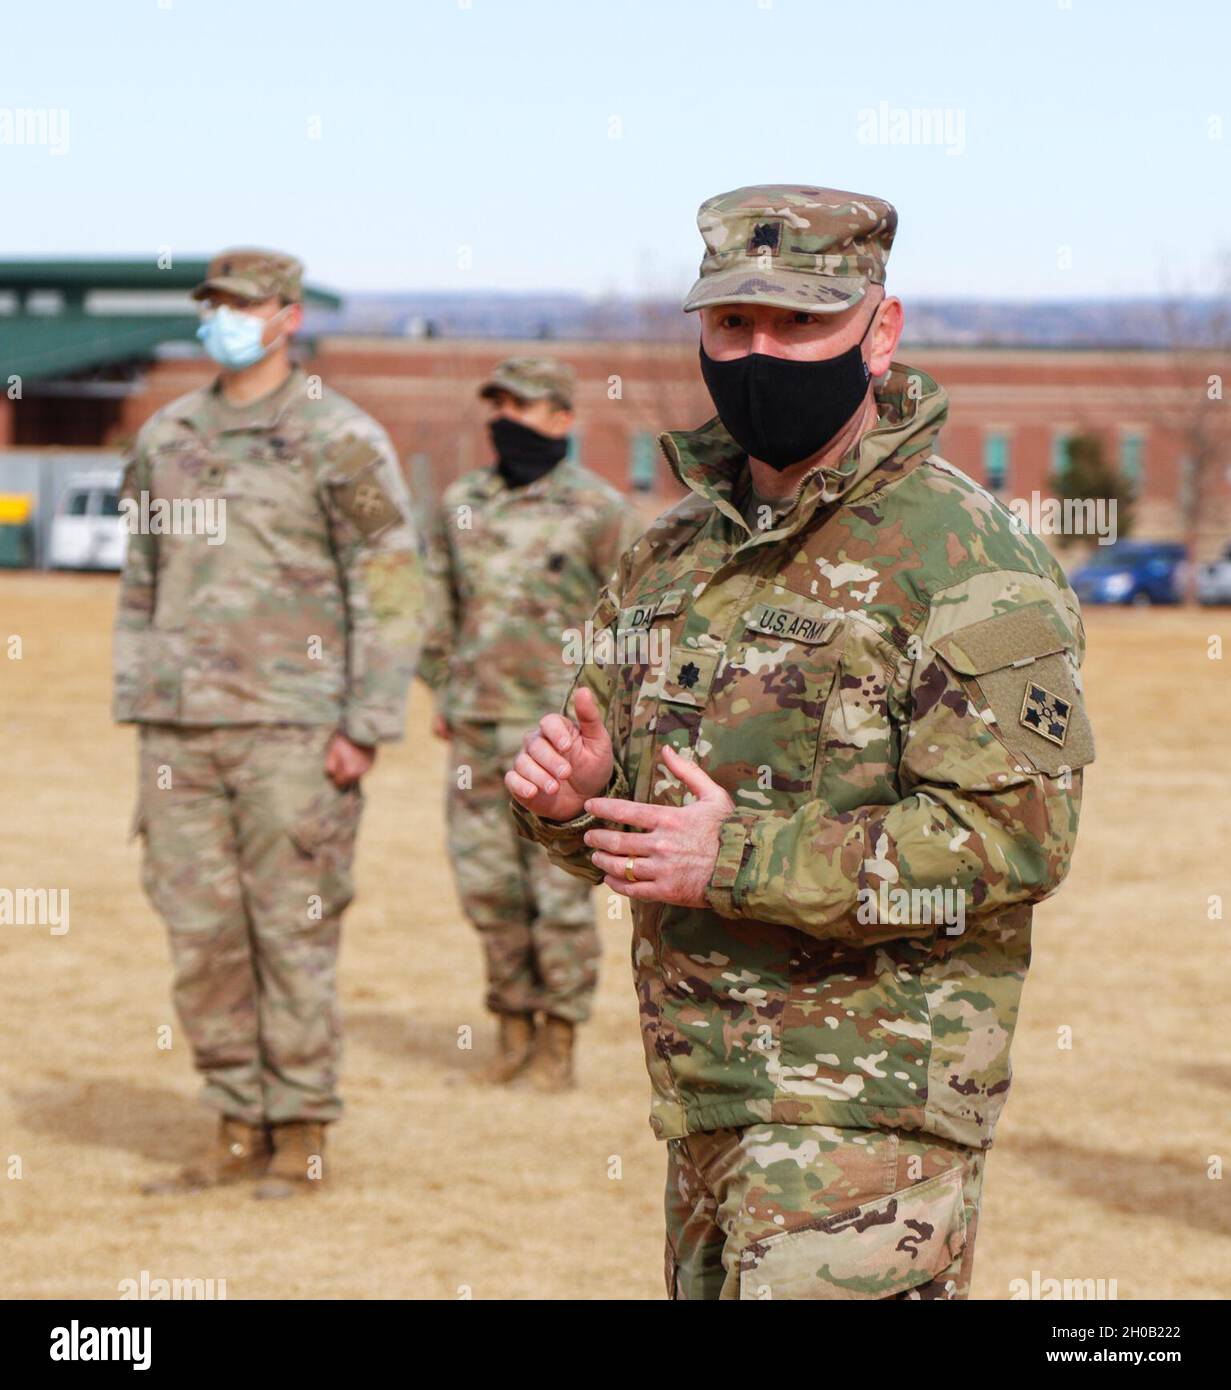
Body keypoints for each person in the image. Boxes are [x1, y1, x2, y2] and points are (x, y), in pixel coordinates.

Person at [507, 186, 1095, 1297]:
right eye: (733, 326)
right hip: (705, 1096)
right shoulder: (667, 554)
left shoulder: (968, 557)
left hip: (869, 1113)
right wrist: (570, 803)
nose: (760, 355)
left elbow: (1013, 840)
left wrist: (732, 860)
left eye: (800, 324)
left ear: (880, 332)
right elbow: (643, 834)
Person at [115, 247, 423, 1198]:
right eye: (214, 303)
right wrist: (140, 701)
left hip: (295, 729)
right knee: (200, 934)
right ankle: (234, 1123)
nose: (226, 318)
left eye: (244, 304)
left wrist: (366, 720)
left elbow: (391, 581)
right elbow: (140, 580)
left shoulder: (340, 437)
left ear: (288, 315)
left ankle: (301, 1131)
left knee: (291, 933)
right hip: (180, 731)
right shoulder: (166, 435)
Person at [419, 358, 640, 1089]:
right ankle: (510, 1026)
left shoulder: (600, 510)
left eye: (525, 405)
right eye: (499, 404)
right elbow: (437, 606)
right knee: (487, 888)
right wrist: (444, 690)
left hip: (560, 742)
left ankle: (559, 1040)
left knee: (558, 894)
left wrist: (612, 720)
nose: (507, 418)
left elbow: (631, 624)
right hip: (478, 729)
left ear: (562, 420)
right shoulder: (460, 502)